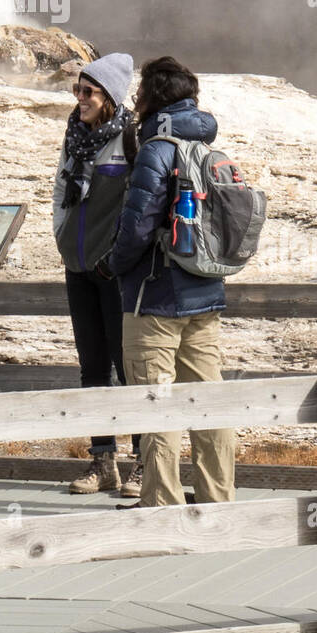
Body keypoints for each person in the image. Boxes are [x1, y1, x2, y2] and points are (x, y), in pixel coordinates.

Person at [107, 56, 235, 508]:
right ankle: (217, 500)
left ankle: (161, 504)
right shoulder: (212, 150)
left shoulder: (156, 149)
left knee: (156, 402)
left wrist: (114, 265)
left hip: (155, 300)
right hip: (206, 295)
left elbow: (138, 226)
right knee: (209, 404)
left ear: (151, 98)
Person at [52, 52, 144, 497]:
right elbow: (59, 190)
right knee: (92, 368)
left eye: (88, 92)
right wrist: (62, 238)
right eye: (78, 90)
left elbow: (137, 205)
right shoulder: (74, 136)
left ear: (109, 97)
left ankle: (143, 462)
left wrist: (118, 256)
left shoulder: (129, 138)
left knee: (128, 368)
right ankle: (102, 460)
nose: (80, 98)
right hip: (79, 266)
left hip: (115, 271)